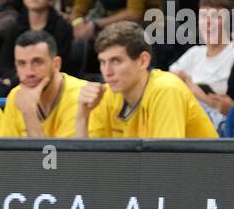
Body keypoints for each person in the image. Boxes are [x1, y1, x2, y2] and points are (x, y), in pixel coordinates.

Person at [75, 21, 218, 138]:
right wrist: (82, 116)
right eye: (102, 62)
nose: (107, 72)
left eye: (116, 61)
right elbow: (87, 163)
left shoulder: (166, 90)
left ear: (143, 61)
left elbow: (164, 164)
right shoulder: (106, 95)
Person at [168, 0, 234, 127]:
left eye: (215, 17)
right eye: (203, 16)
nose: (208, 23)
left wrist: (191, 86)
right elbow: (169, 79)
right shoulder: (195, 52)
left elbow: (220, 100)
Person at [0, 29, 82, 138]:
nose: (29, 72)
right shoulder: (16, 95)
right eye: (22, 63)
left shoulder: (80, 97)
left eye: (37, 62)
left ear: (56, 64)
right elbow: (6, 153)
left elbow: (57, 155)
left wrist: (29, 114)